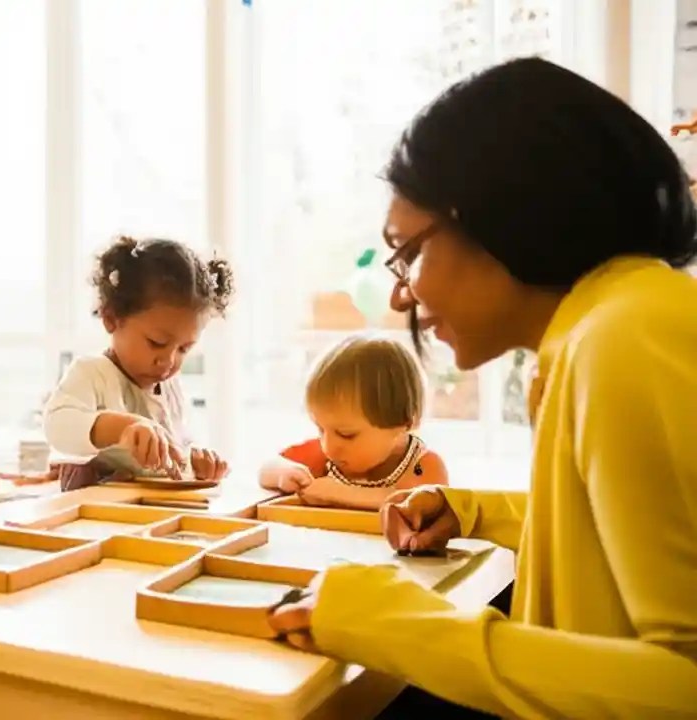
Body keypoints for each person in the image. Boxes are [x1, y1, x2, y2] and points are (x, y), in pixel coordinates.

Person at [268, 57, 697, 718]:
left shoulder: (627, 336)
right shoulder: (606, 328)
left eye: (409, 252)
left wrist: (395, 624)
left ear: (499, 213)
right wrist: (472, 511)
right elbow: (615, 531)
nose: (401, 291)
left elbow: (683, 683)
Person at [43, 236, 234, 489]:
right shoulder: (92, 373)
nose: (168, 361)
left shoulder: (170, 389)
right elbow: (57, 426)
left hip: (151, 515)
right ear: (111, 319)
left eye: (184, 349)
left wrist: (196, 461)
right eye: (156, 343)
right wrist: (121, 427)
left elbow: (178, 449)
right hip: (98, 518)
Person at [258, 335, 447, 509]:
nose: (329, 447)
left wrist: (337, 492)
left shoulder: (422, 465)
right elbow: (266, 469)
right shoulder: (324, 456)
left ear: (403, 424)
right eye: (321, 429)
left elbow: (413, 501)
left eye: (346, 434)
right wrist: (285, 473)